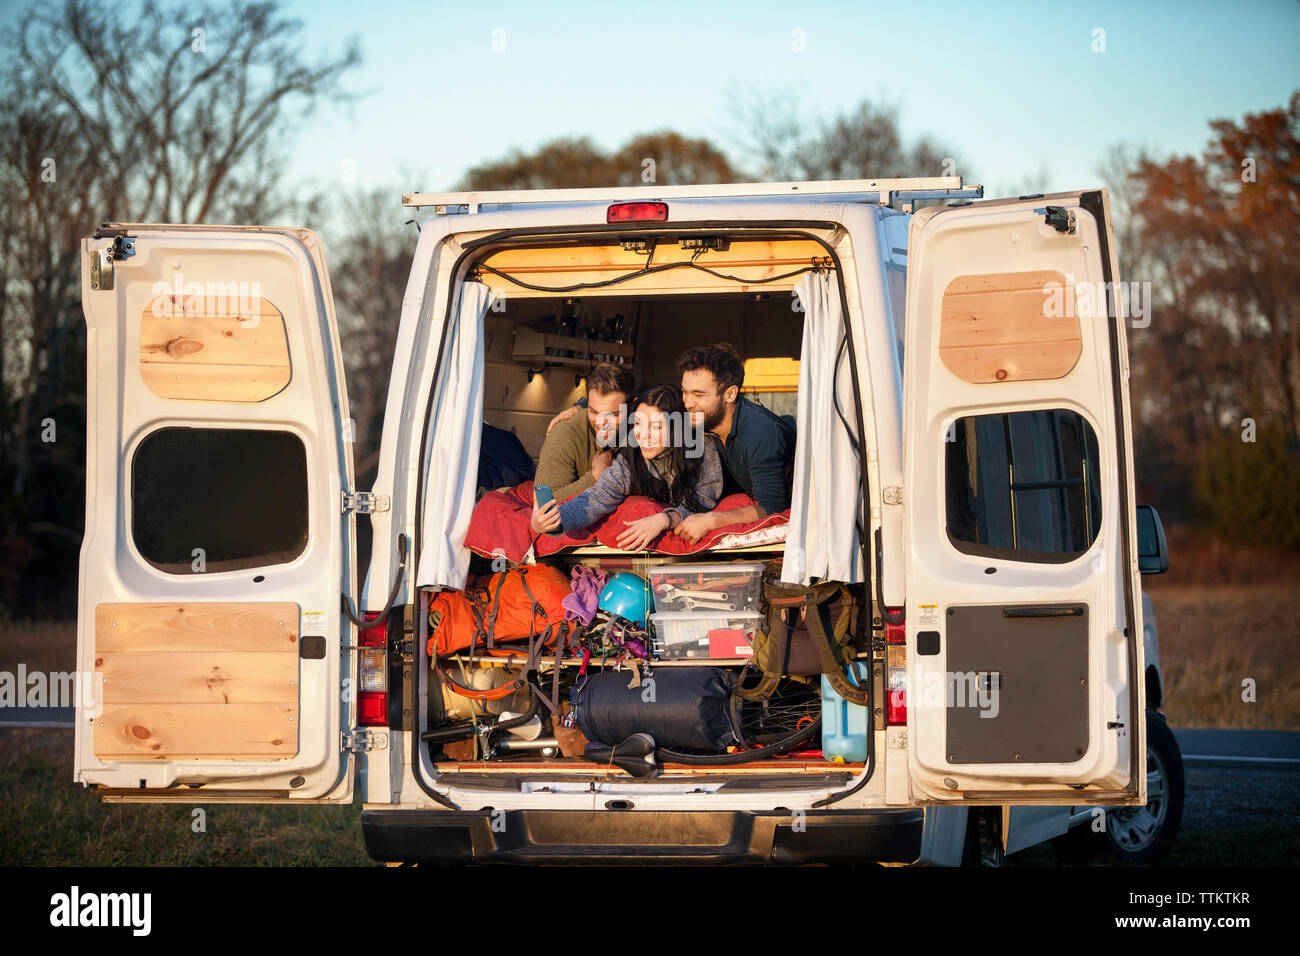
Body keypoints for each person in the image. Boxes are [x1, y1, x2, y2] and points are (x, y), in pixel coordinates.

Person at [531, 385, 723, 550]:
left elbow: (704, 500)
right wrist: (555, 520)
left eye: (656, 426)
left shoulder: (702, 448)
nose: (644, 435)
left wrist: (664, 519)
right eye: (638, 424)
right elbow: (599, 497)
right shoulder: (630, 456)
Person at [673, 343, 795, 544]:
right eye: (685, 392)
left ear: (730, 394)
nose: (687, 403)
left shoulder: (760, 432)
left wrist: (710, 520)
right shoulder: (702, 419)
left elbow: (773, 507)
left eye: (698, 394)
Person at [533, 362, 635, 502]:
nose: (601, 422)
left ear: (632, 408)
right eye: (594, 411)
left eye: (614, 414)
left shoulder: (644, 426)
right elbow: (543, 501)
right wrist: (595, 476)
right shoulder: (565, 434)